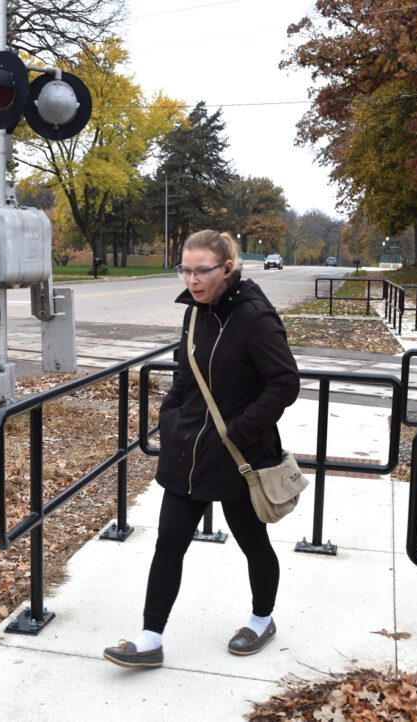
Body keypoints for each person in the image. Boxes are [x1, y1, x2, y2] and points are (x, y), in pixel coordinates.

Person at [103, 230, 300, 669]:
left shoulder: (254, 317)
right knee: (169, 544)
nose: (191, 280)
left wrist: (240, 432)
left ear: (227, 269)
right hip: (189, 451)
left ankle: (261, 620)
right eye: (185, 270)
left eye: (201, 271)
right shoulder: (194, 313)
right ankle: (150, 639)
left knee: (253, 543)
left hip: (238, 456)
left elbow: (285, 382)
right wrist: (171, 416)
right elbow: (184, 373)